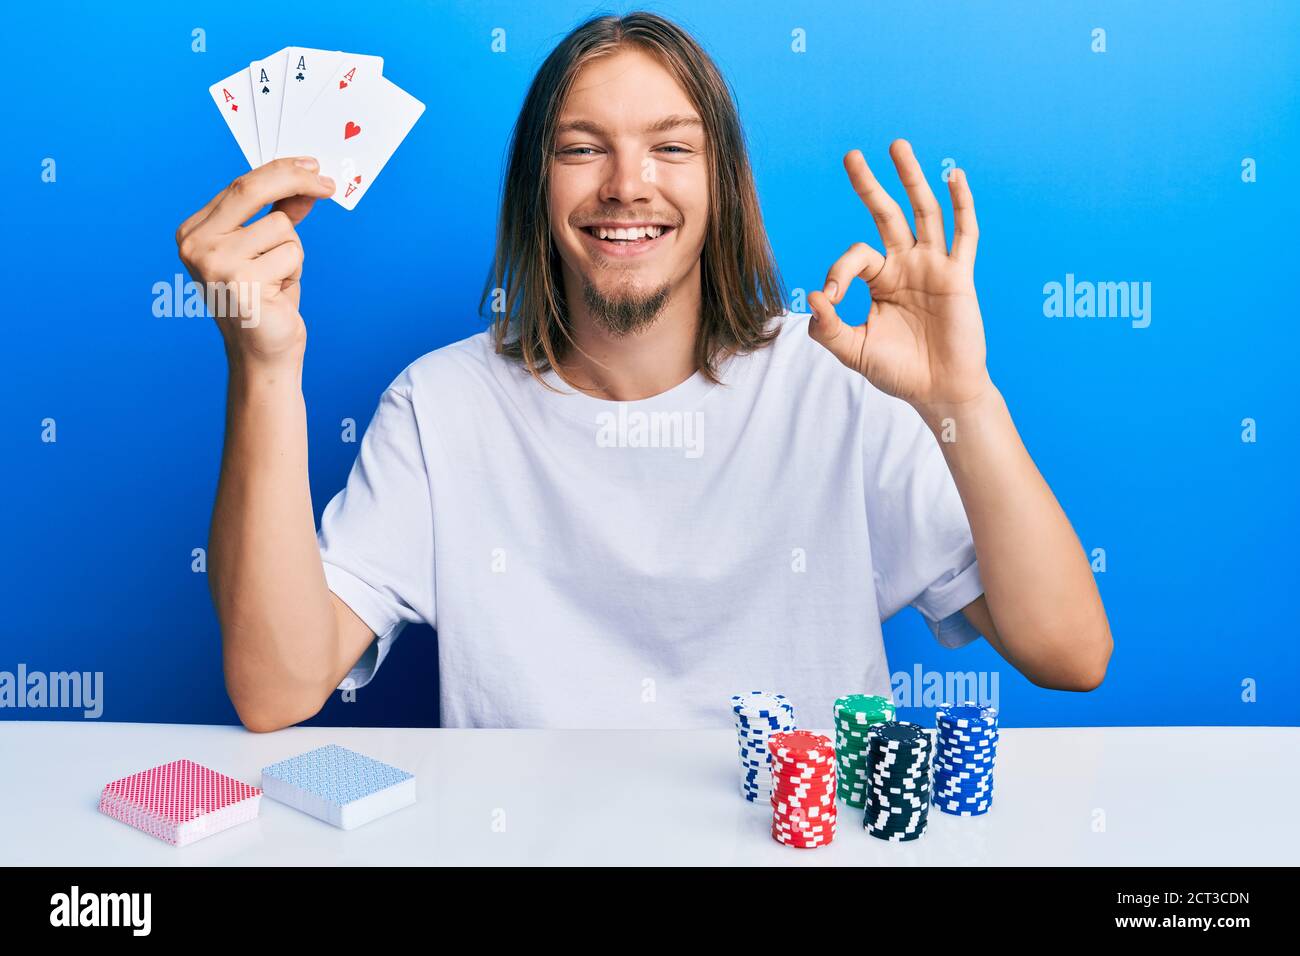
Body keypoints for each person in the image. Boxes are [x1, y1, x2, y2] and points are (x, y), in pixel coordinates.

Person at [175, 12, 1111, 730]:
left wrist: (961, 403)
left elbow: (1069, 652)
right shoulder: (440, 405)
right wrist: (262, 367)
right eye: (582, 149)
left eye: (671, 146)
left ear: (721, 183)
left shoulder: (840, 381)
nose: (628, 184)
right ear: (536, 191)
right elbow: (278, 688)